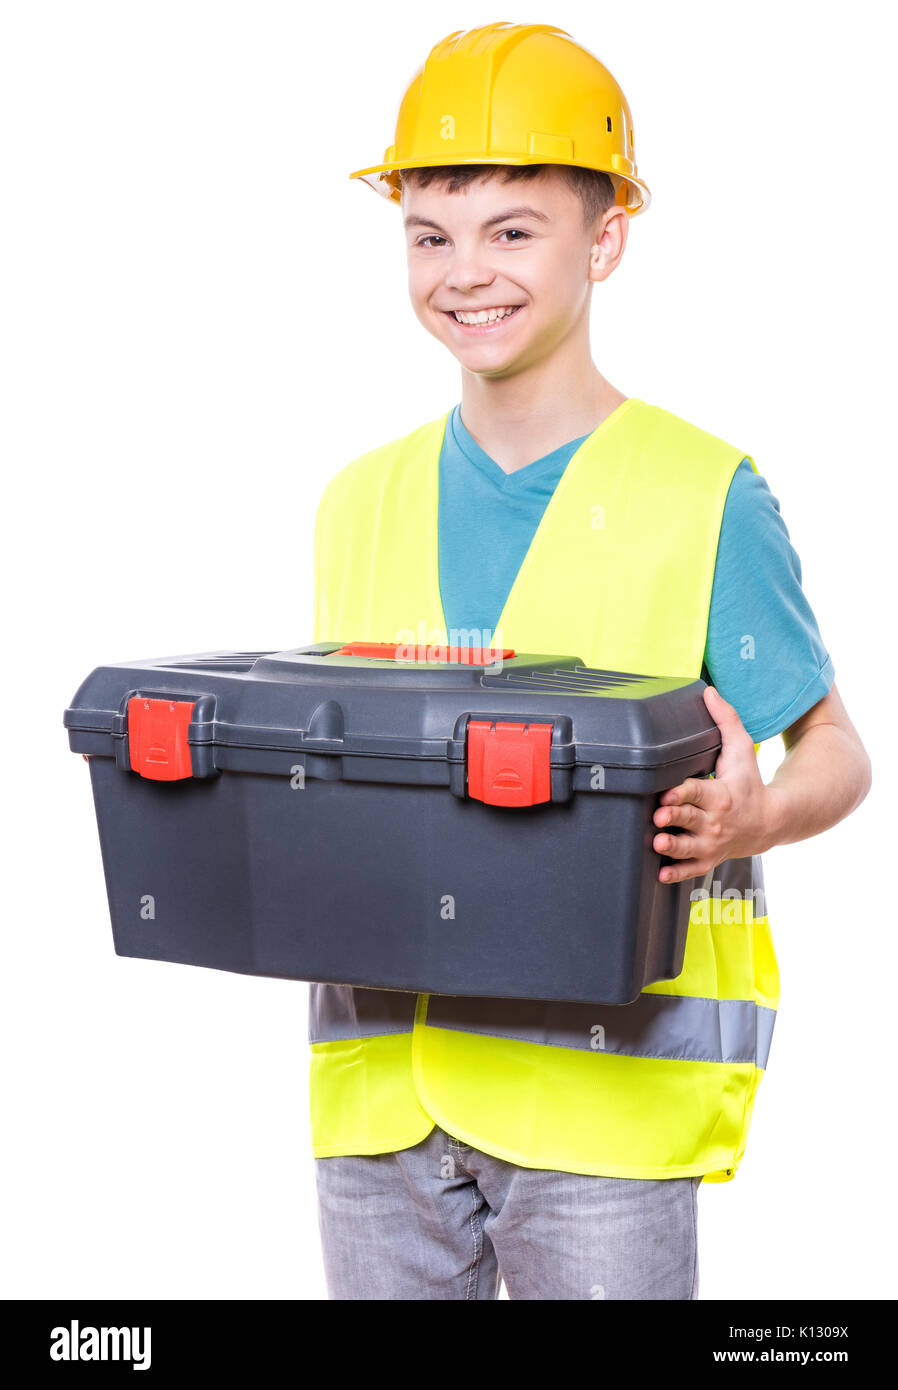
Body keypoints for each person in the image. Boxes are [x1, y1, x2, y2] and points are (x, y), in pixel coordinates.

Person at [307, 22, 872, 1300]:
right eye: (429, 233)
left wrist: (759, 813)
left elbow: (834, 748)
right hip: (377, 1095)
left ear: (603, 238)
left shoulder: (701, 492)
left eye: (514, 230)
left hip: (602, 1109)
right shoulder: (358, 499)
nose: (466, 274)